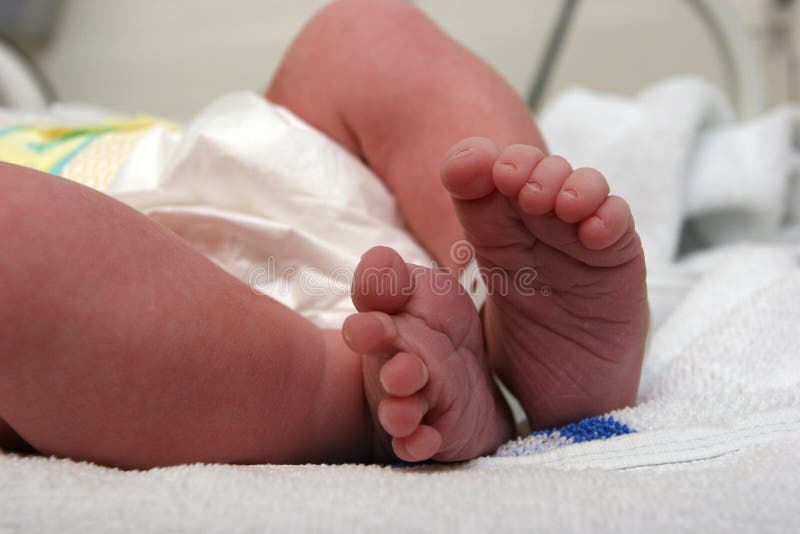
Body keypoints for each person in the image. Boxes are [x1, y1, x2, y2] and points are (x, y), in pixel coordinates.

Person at [0, 0, 648, 468]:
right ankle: (353, 400)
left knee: (362, 29)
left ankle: (502, 287)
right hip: (177, 318)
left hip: (229, 163)